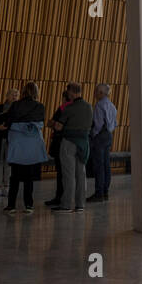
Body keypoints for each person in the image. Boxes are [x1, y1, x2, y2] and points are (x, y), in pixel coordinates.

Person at [3, 82, 48, 214]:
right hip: (32, 143)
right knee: (29, 176)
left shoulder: (15, 105)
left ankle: (11, 205)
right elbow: (40, 123)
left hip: (17, 142)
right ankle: (29, 205)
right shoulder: (40, 106)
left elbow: (8, 123)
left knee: (15, 176)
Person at [50, 83, 92, 212]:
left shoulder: (69, 108)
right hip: (84, 143)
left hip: (69, 142)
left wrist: (51, 123)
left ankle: (66, 204)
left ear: (72, 92)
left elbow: (58, 127)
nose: (67, 95)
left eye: (68, 93)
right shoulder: (89, 107)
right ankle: (80, 205)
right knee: (81, 174)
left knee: (68, 174)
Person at [87, 83, 117, 202]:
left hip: (100, 136)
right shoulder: (112, 105)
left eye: (95, 91)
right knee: (106, 164)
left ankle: (98, 193)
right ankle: (105, 191)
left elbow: (98, 124)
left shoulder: (99, 105)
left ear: (100, 93)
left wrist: (93, 135)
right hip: (109, 135)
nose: (94, 94)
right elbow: (115, 123)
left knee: (99, 165)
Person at [45, 87, 73, 208]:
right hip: (70, 143)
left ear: (64, 98)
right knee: (67, 172)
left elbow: (51, 123)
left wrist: (54, 124)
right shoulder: (76, 109)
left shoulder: (63, 108)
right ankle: (65, 197)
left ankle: (60, 197)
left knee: (61, 172)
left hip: (60, 142)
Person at [0, 87, 18, 196]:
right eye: (13, 94)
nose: (15, 97)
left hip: (12, 138)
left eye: (16, 95)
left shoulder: (18, 110)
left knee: (9, 163)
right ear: (7, 96)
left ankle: (7, 186)